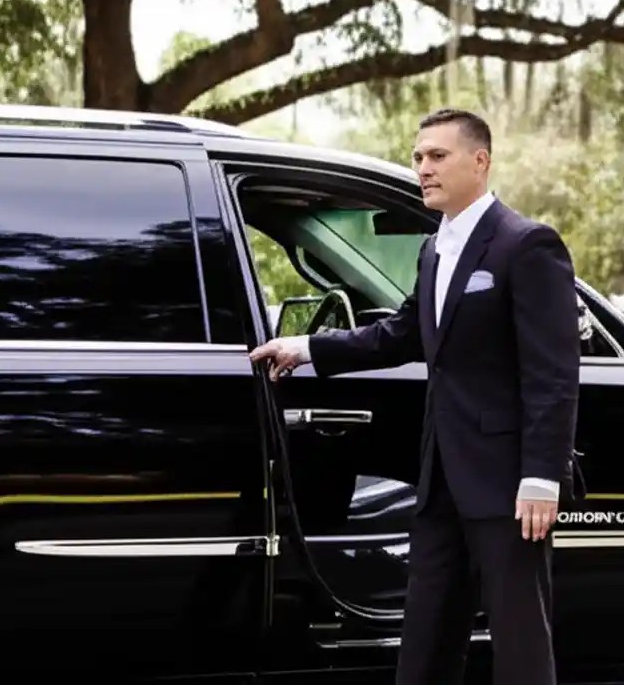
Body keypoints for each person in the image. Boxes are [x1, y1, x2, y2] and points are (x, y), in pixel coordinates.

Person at [249, 108, 581, 685]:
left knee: (520, 639)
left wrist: (541, 477)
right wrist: (306, 348)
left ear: (480, 161)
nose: (423, 168)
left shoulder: (525, 245)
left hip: (508, 483)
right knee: (426, 633)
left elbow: (553, 374)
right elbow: (401, 334)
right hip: (440, 480)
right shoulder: (434, 250)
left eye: (437, 156)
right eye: (418, 157)